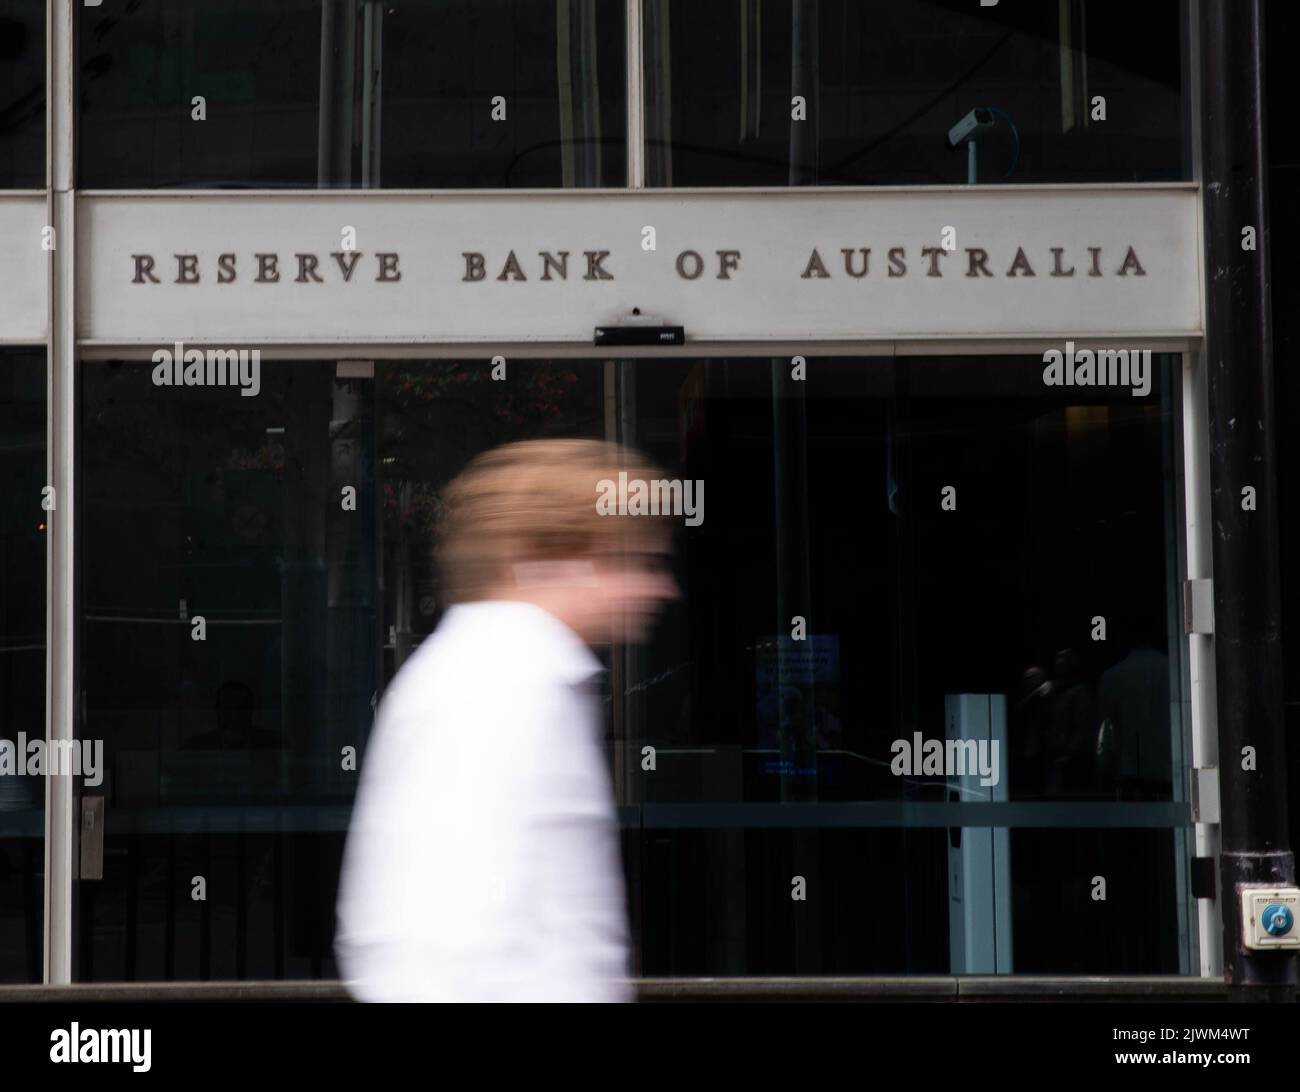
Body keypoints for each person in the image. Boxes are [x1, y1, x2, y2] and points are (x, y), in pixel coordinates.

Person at [334, 439, 679, 1002]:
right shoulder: (507, 687)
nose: (660, 588)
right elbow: (462, 946)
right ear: (564, 558)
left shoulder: (485, 672)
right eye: (636, 561)